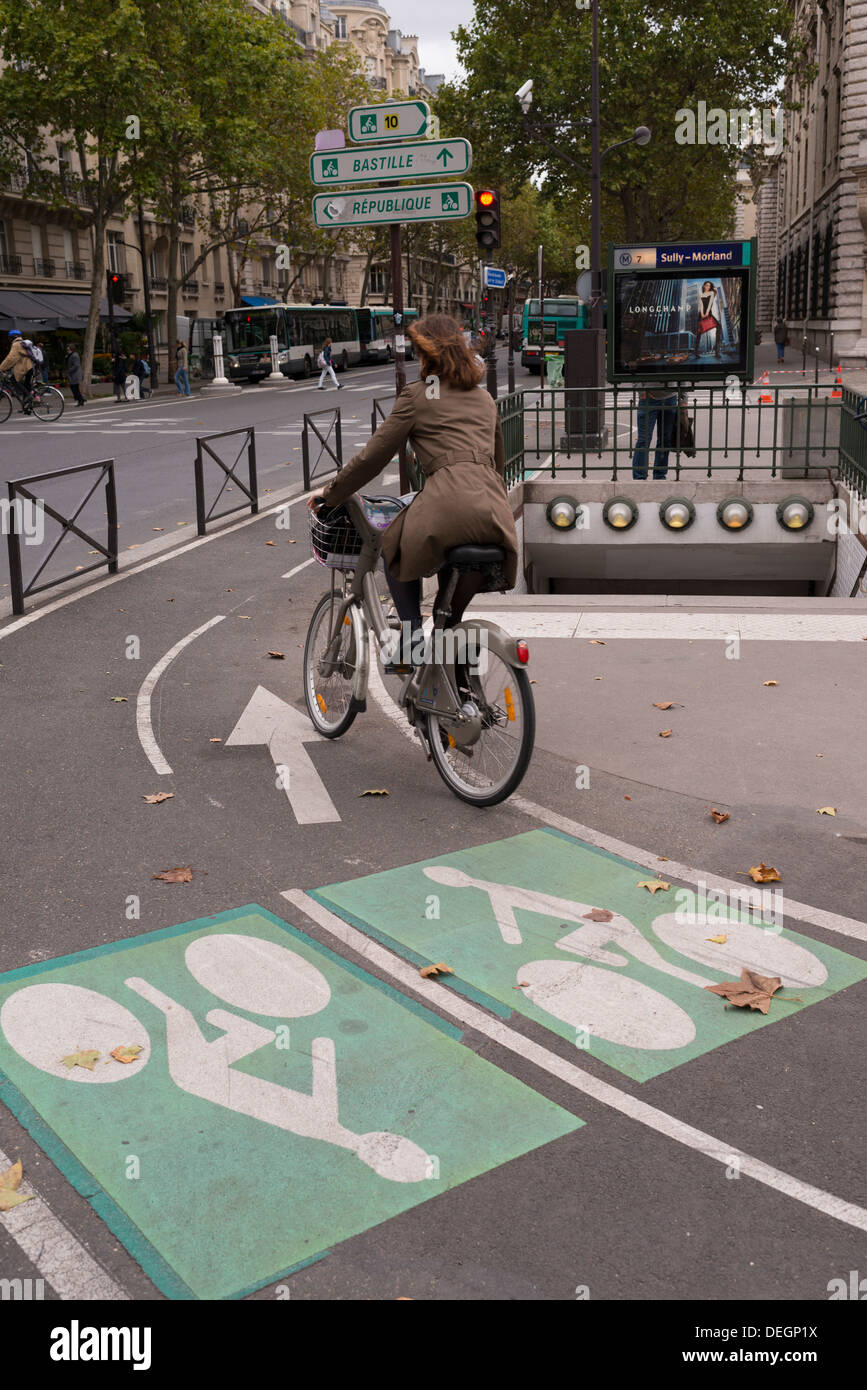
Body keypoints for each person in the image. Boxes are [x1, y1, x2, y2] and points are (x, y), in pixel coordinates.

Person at [307, 313, 518, 667]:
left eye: (419, 353)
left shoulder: (417, 396)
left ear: (429, 356)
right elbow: (498, 462)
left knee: (392, 543)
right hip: (495, 512)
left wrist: (331, 494)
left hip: (446, 502)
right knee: (449, 620)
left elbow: (373, 457)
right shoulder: (483, 399)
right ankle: (455, 698)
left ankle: (410, 638)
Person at [632, 385, 679, 480]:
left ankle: (660, 475)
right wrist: (642, 392)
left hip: (670, 397)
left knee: (665, 440)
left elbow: (682, 373)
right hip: (649, 396)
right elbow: (635, 370)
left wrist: (683, 399)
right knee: (643, 440)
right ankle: (639, 477)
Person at [0, 330, 36, 407]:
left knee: (13, 380)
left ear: (13, 337)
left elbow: (11, 358)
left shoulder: (16, 344)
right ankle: (26, 407)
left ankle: (28, 396)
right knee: (26, 386)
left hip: (24, 368)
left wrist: (1, 367)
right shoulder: (22, 343)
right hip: (30, 367)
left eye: (9, 338)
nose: (9, 339)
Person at [693, 281, 722, 360]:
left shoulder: (711, 293)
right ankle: (695, 352)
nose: (708, 287)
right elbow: (701, 305)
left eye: (709, 286)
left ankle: (717, 351)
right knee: (699, 333)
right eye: (707, 285)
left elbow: (710, 304)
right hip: (701, 315)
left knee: (719, 327)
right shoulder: (701, 295)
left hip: (709, 313)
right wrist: (702, 314)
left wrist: (707, 313)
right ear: (704, 286)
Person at [65, 342, 85, 407]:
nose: (68, 351)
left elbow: (76, 365)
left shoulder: (75, 355)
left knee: (75, 389)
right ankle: (81, 399)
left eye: (69, 350)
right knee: (74, 388)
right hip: (73, 375)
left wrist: (69, 371)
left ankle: (80, 400)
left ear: (72, 349)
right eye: (67, 350)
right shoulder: (70, 355)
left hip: (75, 375)